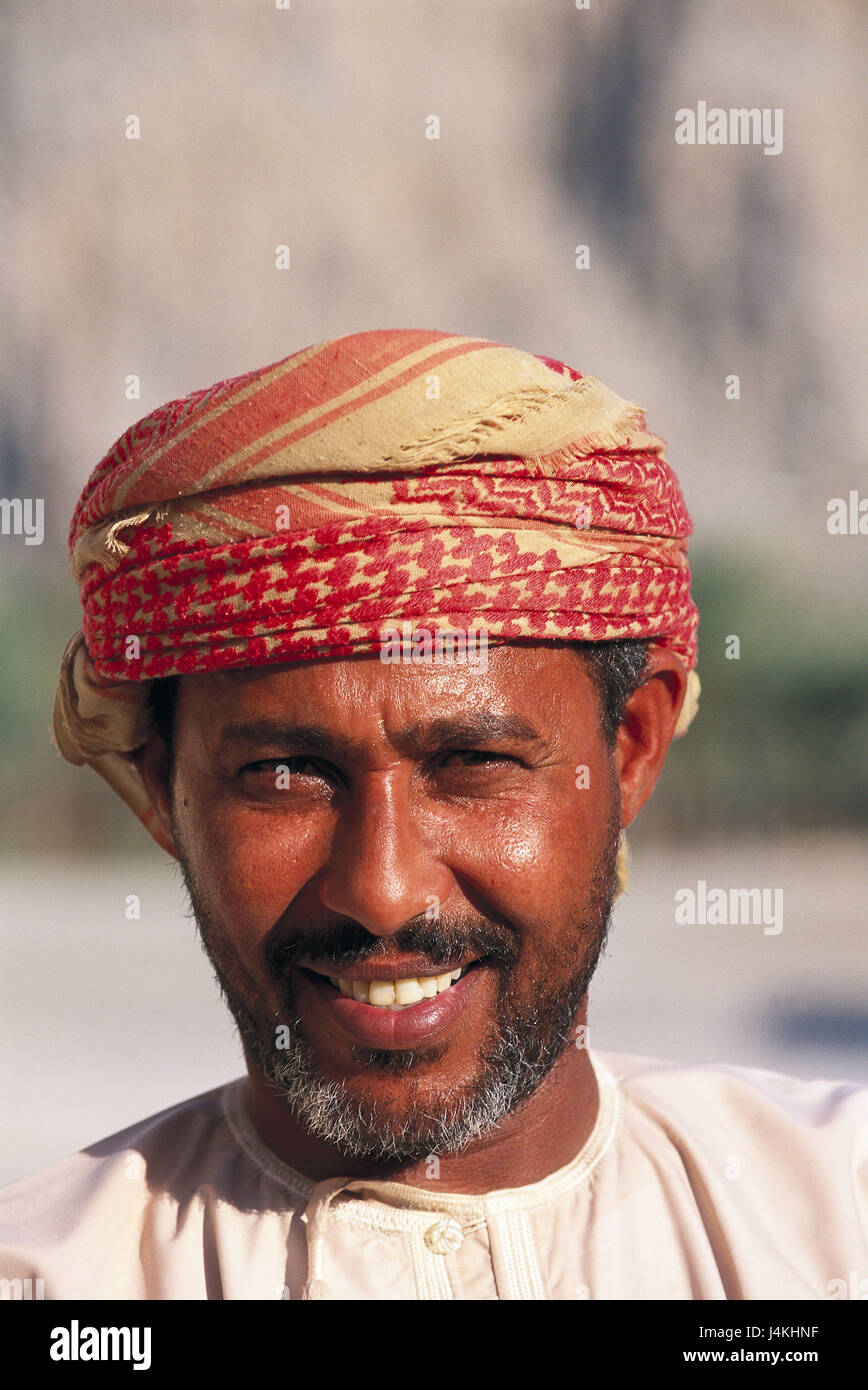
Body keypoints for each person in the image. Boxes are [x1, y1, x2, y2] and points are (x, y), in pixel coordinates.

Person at [0, 329, 864, 1301]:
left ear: (631, 750)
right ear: (163, 788)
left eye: (473, 763)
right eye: (286, 772)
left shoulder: (838, 1214)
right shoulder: (47, 1280)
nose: (380, 889)